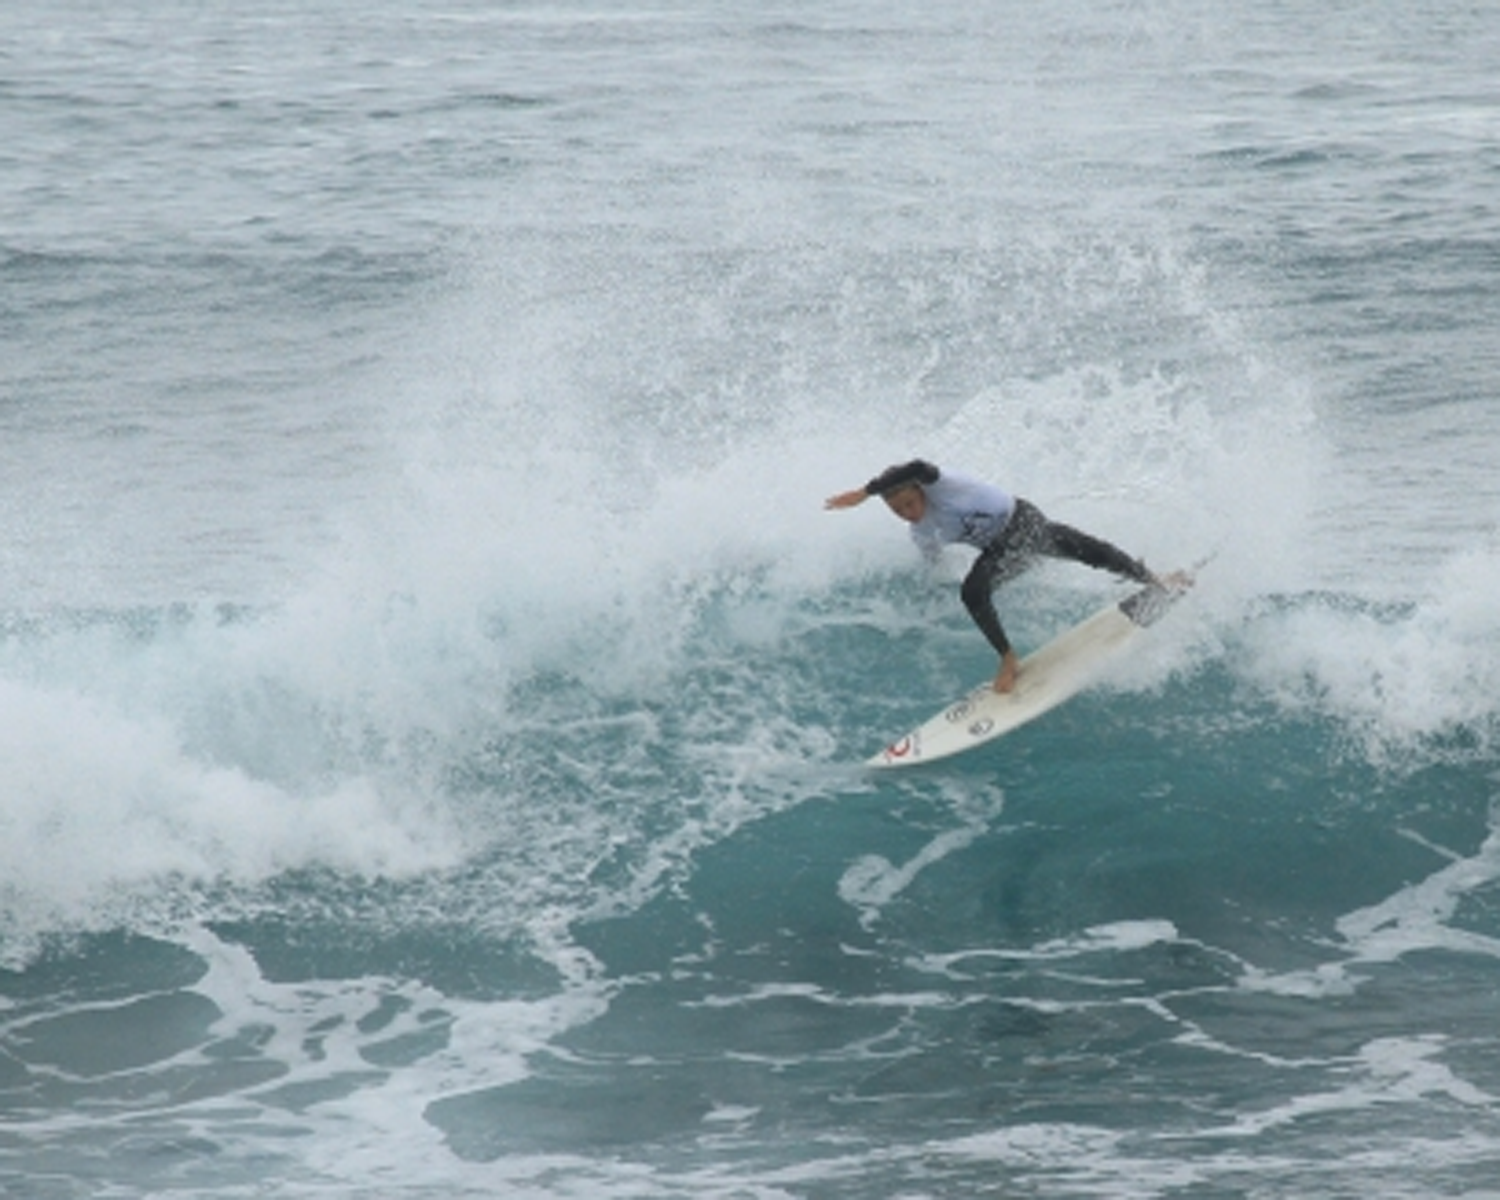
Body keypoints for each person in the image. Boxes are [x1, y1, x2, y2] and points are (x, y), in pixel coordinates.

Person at [826, 459, 1174, 694]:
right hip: (1001, 551)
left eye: (909, 503)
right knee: (972, 593)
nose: (906, 513)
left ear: (921, 491)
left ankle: (1151, 578)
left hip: (1024, 523)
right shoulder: (921, 533)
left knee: (1087, 551)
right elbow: (936, 566)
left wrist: (865, 492)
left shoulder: (944, 486)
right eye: (896, 510)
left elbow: (915, 466)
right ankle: (1008, 657)